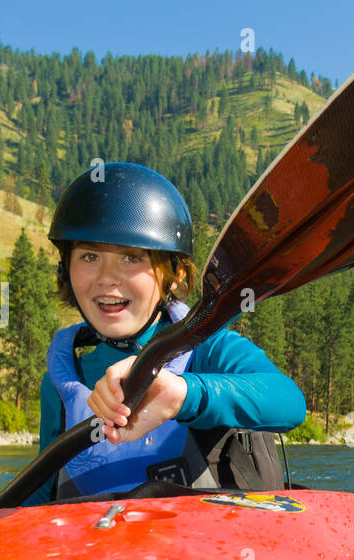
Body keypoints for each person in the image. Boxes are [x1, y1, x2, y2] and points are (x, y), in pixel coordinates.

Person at [29, 162, 306, 503]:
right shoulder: (61, 379)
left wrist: (182, 394)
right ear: (65, 270)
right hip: (99, 554)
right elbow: (38, 498)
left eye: (131, 258)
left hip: (206, 550)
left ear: (174, 274)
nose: (106, 277)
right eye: (89, 256)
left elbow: (290, 403)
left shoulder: (209, 349)